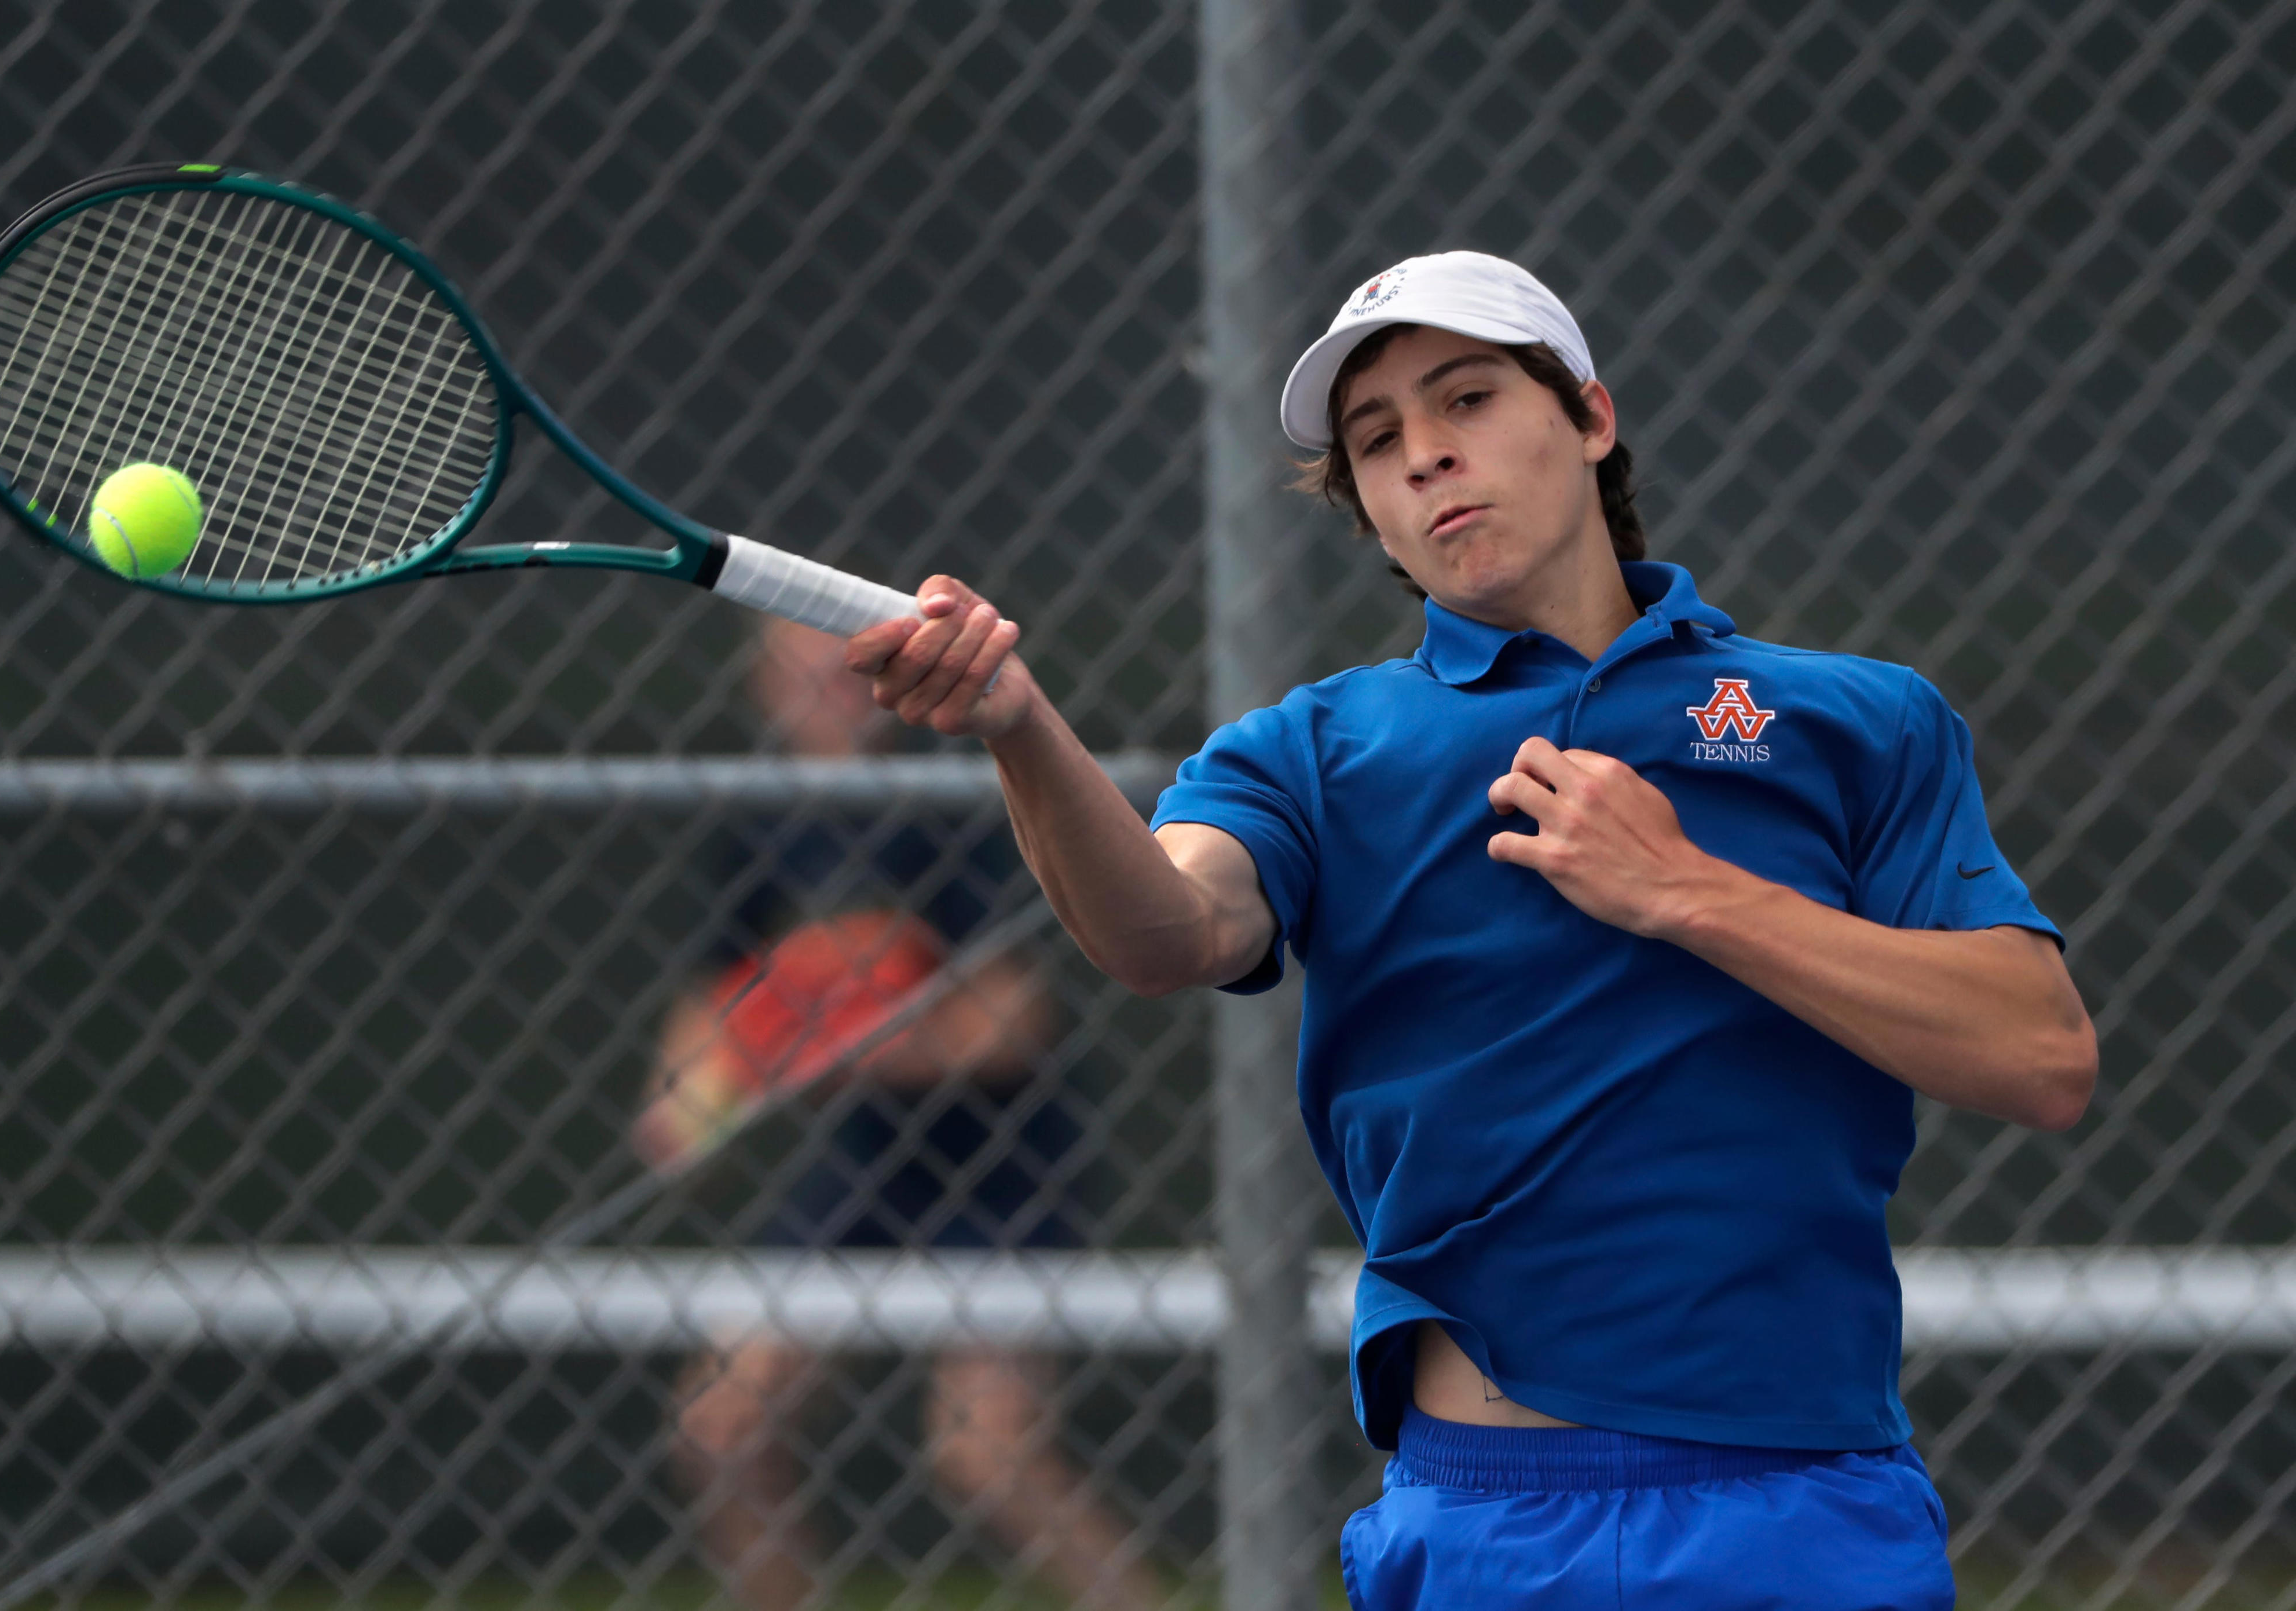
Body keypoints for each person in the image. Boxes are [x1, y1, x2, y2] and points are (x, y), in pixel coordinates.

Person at [844, 252, 2099, 1608]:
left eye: (1468, 400)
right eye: (1376, 442)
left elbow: (2037, 1054)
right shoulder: (1312, 750)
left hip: (1798, 1506)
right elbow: (1167, 929)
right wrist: (1020, 729)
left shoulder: (1854, 720)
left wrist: (1687, 891)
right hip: (1487, 1527)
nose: (1426, 457)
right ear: (1369, 513)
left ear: (1590, 419)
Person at [638, 615, 1165, 1611]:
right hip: (865, 1164)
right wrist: (683, 1101)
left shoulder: (948, 804)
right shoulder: (760, 823)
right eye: (793, 678)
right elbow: (713, 999)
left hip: (1003, 1162)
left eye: (836, 678)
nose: (819, 699)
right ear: (760, 690)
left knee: (986, 1453)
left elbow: (1015, 1015)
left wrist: (855, 1048)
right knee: (721, 1426)